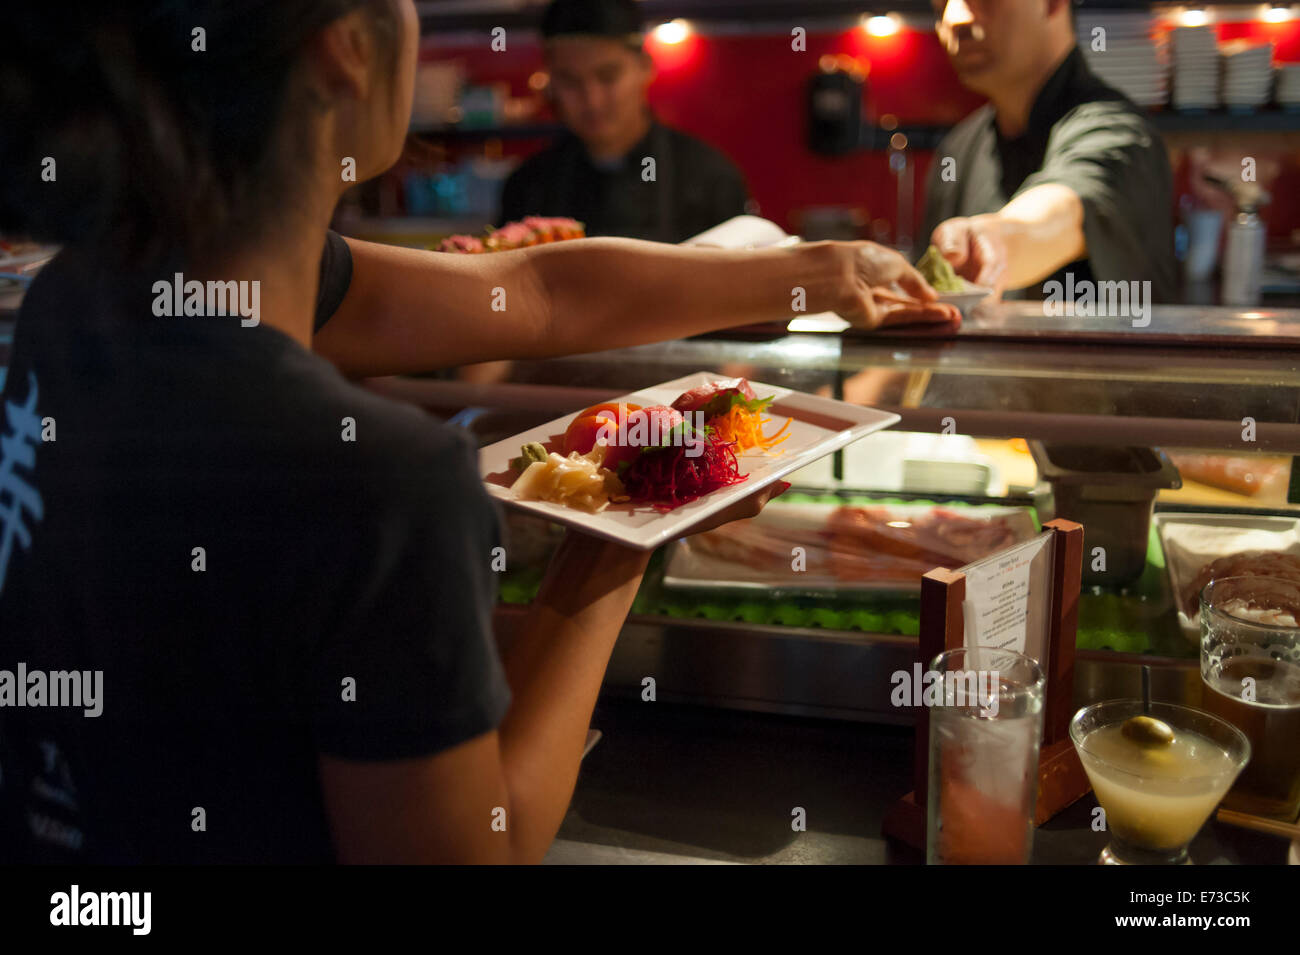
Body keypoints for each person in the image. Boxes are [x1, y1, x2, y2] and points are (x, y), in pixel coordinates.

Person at [0, 1, 955, 865]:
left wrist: (813, 269)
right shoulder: (383, 482)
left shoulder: (70, 302)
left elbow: (534, 293)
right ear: (343, 49)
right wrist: (626, 532)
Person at [920, 0, 1178, 303]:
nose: (955, 18)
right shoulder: (958, 149)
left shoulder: (1120, 132)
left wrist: (996, 241)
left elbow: (1071, 205)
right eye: (940, 7)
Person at [497, 0, 748, 242]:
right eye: (570, 81)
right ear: (551, 83)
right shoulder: (528, 186)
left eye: (608, 76)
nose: (592, 100)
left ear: (644, 67)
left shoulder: (709, 178)